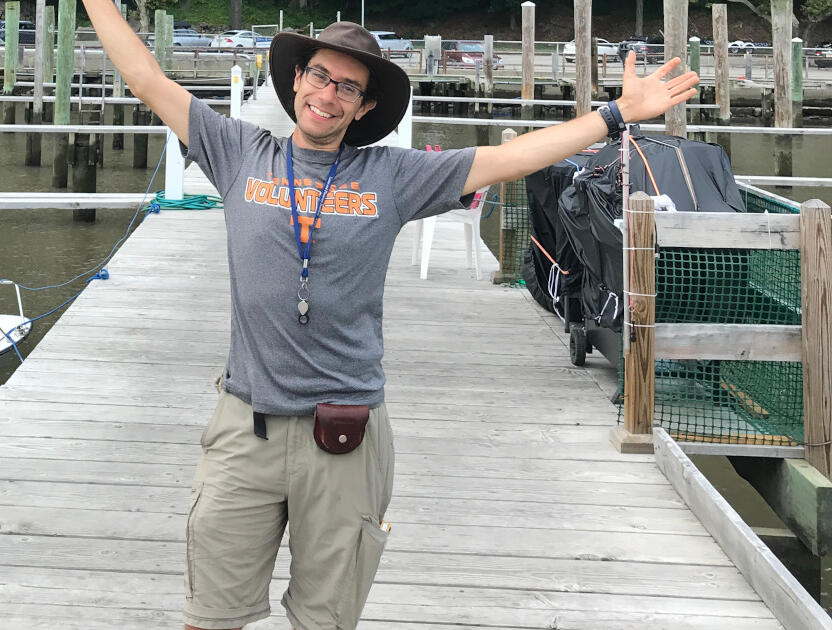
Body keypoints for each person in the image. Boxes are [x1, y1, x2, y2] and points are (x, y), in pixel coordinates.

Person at [78, 3, 698, 629]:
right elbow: (147, 79)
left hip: (345, 437)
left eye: (349, 87)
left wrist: (613, 116)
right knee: (207, 618)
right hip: (246, 429)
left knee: (326, 621)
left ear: (365, 107)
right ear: (295, 80)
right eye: (320, 76)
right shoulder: (239, 151)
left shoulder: (392, 176)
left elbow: (512, 158)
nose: (329, 95)